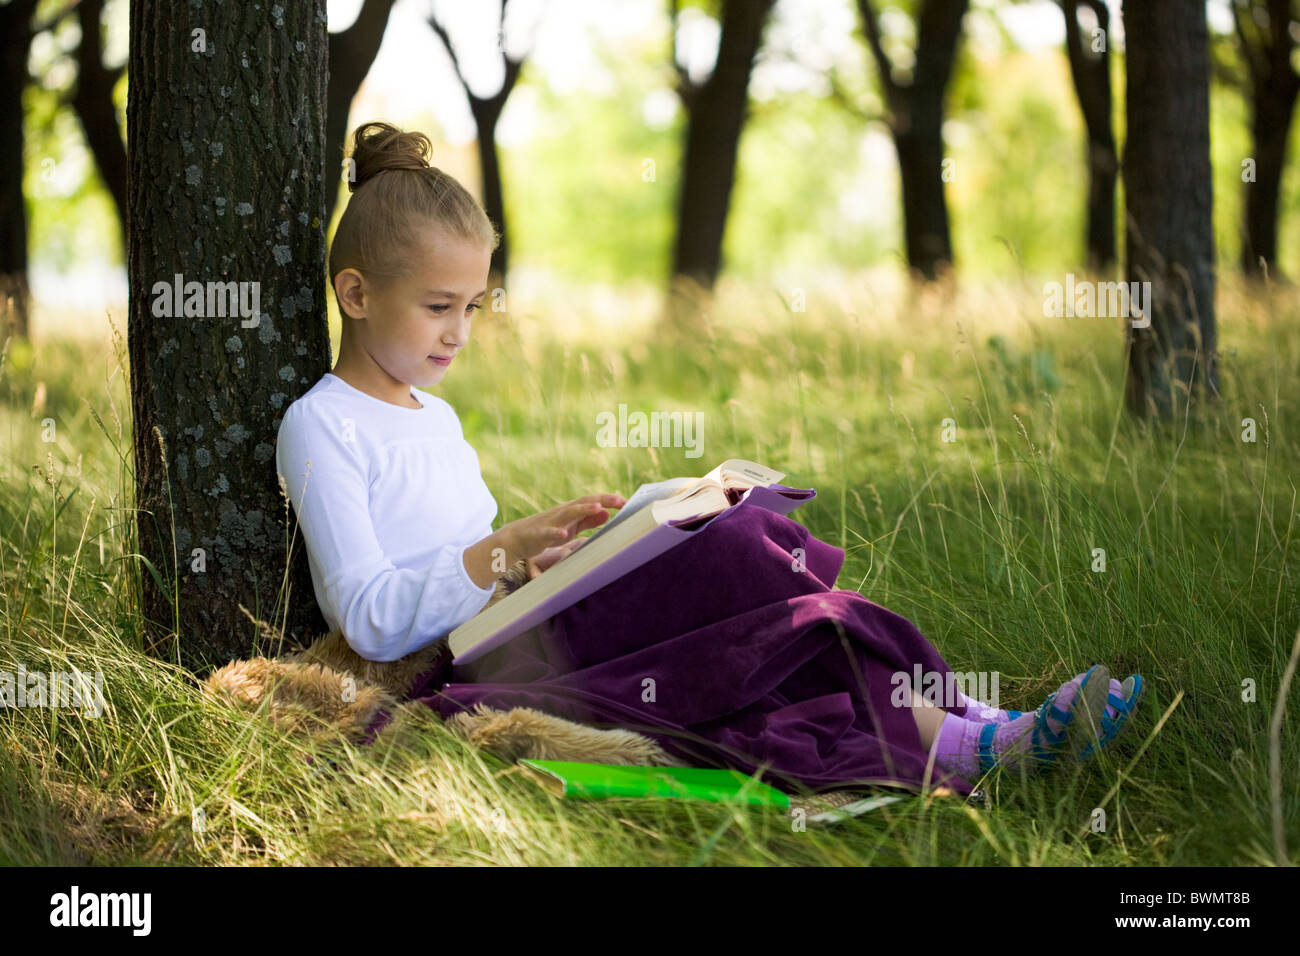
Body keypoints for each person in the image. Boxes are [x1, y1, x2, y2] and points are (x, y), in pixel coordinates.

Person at [276, 121, 1144, 798]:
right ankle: (974, 739)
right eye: (438, 307)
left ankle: (970, 721)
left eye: (472, 304)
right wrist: (505, 552)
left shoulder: (438, 416)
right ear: (355, 293)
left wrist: (542, 562)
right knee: (727, 574)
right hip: (460, 667)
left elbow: (469, 567)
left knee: (744, 537)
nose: (459, 332)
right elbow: (371, 620)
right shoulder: (324, 425)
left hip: (516, 624)